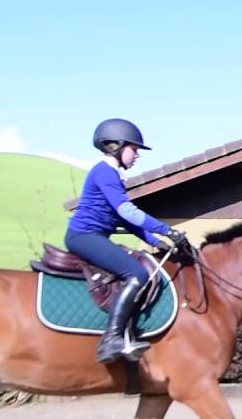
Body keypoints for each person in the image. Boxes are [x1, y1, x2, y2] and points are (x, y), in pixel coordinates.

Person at [66, 118, 187, 364]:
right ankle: (111, 339)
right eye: (134, 149)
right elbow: (128, 212)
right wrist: (168, 230)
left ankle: (128, 333)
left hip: (95, 236)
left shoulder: (111, 175)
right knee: (137, 274)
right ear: (116, 146)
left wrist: (155, 241)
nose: (137, 156)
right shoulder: (104, 172)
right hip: (85, 237)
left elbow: (128, 222)